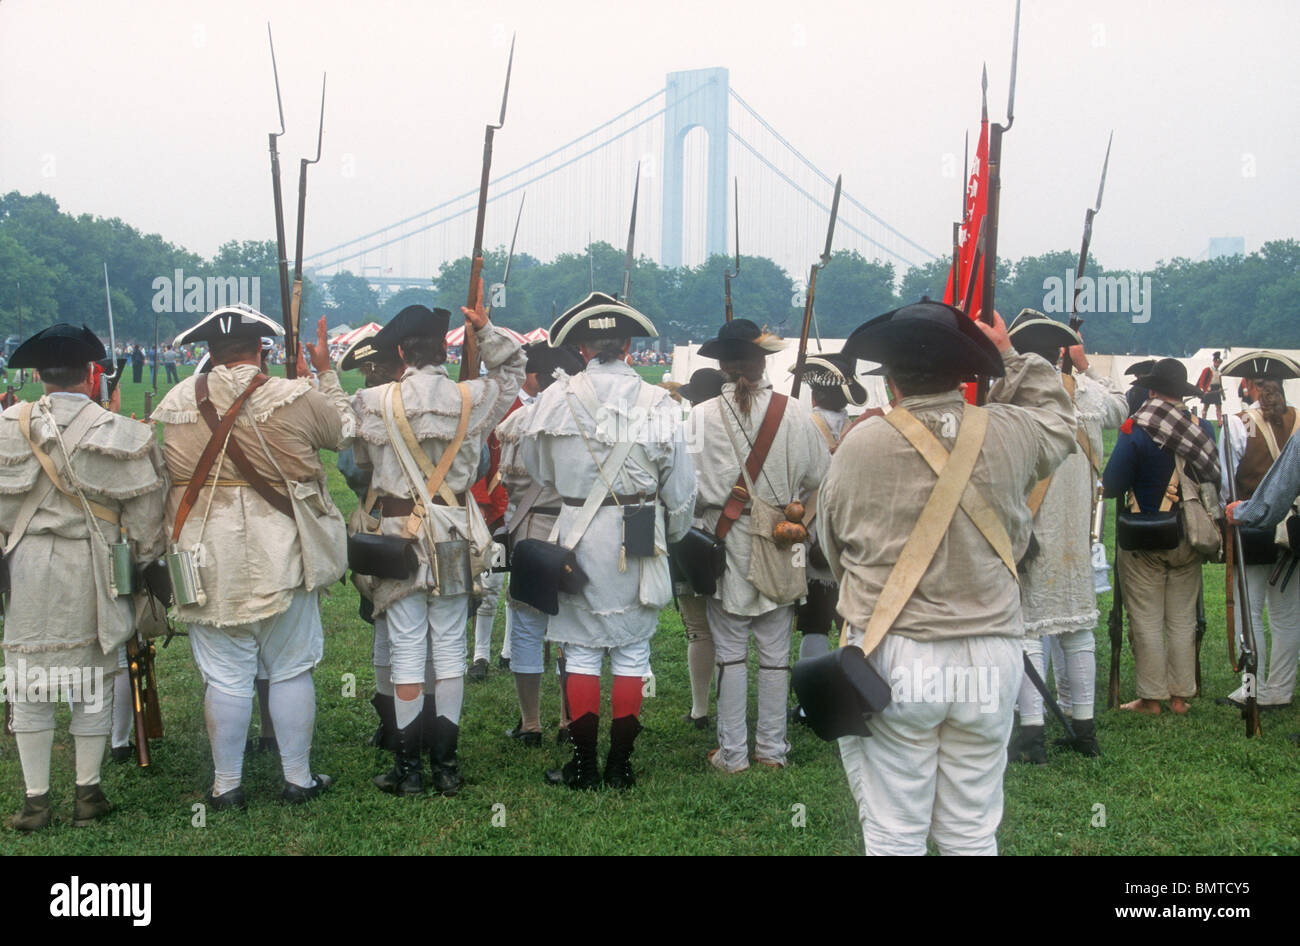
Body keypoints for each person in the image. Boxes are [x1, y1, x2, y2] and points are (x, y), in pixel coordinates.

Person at [819, 301, 1074, 855]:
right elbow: (1060, 424)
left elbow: (830, 544)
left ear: (890, 380)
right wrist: (1011, 355)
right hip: (992, 653)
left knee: (894, 831)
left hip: (895, 654)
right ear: (964, 373)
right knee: (970, 831)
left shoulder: (862, 442)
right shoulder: (1011, 431)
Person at [154, 304, 352, 808]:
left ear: (209, 352)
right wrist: (322, 373)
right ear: (262, 350)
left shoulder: (176, 399)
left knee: (225, 675)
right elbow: (343, 431)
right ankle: (297, 779)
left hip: (204, 554)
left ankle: (226, 788)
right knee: (289, 669)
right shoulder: (292, 394)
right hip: (284, 548)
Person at [517, 292, 696, 790]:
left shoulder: (555, 397)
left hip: (575, 527)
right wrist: (671, 534)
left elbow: (536, 470)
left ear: (583, 347)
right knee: (633, 652)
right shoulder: (660, 401)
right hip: (639, 524)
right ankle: (619, 767)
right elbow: (680, 489)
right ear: (626, 344)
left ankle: (583, 765)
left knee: (579, 652)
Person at [350, 296, 524, 796]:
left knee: (406, 649)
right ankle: (446, 768)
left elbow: (360, 460)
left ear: (402, 352)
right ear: (444, 350)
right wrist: (486, 330)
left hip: (399, 538)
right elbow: (513, 367)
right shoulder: (476, 397)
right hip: (453, 535)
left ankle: (407, 772)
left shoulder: (374, 402)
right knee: (448, 650)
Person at [0, 324, 168, 831]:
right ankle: (88, 795)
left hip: (26, 565)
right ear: (92, 374)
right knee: (90, 682)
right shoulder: (123, 433)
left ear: (36, 376)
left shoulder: (8, 425)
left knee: (29, 685)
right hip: (95, 565)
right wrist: (141, 563)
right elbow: (144, 521)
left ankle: (36, 802)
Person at [689, 320, 829, 772]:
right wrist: (795, 522)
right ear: (762, 361)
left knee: (730, 653)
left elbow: (682, 489)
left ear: (723, 366)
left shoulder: (699, 415)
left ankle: (732, 754)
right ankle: (772, 750)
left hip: (723, 539)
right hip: (781, 541)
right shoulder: (796, 413)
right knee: (773, 654)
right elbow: (818, 481)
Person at [1003, 311, 1127, 763]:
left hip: (1029, 529)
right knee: (1077, 630)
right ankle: (1084, 730)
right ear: (1060, 352)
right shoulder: (1086, 394)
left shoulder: (1012, 397)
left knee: (1028, 631)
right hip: (1077, 530)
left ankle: (1032, 735)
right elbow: (1123, 406)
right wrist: (1086, 364)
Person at [1102, 358, 1219, 716]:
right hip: (1190, 533)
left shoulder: (1137, 426)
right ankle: (1181, 697)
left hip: (1145, 537)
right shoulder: (1203, 428)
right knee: (1182, 618)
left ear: (1151, 390)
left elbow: (1113, 484)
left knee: (1146, 617)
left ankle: (1151, 698)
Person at [495, 341, 587, 746]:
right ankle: (568, 721)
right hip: (575, 532)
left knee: (528, 631)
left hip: (530, 532)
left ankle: (530, 723)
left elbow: (508, 481)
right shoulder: (589, 424)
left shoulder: (518, 423)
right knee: (571, 632)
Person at [1216, 351, 1300, 710]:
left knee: (1249, 615)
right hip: (1293, 530)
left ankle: (1251, 688)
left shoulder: (1238, 424)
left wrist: (1232, 513)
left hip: (1250, 525)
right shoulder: (1298, 419)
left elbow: (1225, 484)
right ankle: (1280, 688)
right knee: (1286, 615)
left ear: (1247, 386)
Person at [786, 352, 866, 728]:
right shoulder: (861, 430)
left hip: (812, 537)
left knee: (814, 623)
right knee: (851, 624)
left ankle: (810, 704)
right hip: (853, 538)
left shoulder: (801, 426)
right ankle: (853, 695)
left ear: (814, 395)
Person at [335, 328, 406, 750]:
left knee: (382, 621)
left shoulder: (361, 408)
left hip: (375, 519)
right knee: (423, 630)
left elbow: (351, 468)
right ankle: (410, 720)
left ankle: (390, 723)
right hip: (415, 521)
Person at [673, 367, 727, 729]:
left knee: (697, 627)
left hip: (692, 532)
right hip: (733, 531)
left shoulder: (685, 431)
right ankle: (725, 705)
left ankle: (700, 710)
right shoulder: (741, 431)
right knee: (729, 629)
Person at [1197, 351, 1224, 425]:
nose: (1217, 364)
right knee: (1206, 406)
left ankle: (1219, 422)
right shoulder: (1208, 370)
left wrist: (1223, 394)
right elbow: (1202, 380)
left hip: (1217, 389)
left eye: (1219, 363)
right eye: (1216, 362)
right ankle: (1203, 420)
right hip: (1209, 389)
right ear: (1214, 362)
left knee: (1218, 406)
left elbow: (1220, 382)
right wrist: (1202, 390)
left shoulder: (1219, 372)